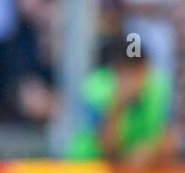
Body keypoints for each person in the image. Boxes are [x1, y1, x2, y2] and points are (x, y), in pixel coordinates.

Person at [68, 37, 176, 165]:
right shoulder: (96, 89)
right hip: (89, 170)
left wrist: (150, 152)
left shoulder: (159, 89)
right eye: (128, 72)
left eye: (138, 70)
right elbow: (106, 148)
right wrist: (118, 105)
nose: (134, 80)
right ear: (115, 70)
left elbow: (169, 141)